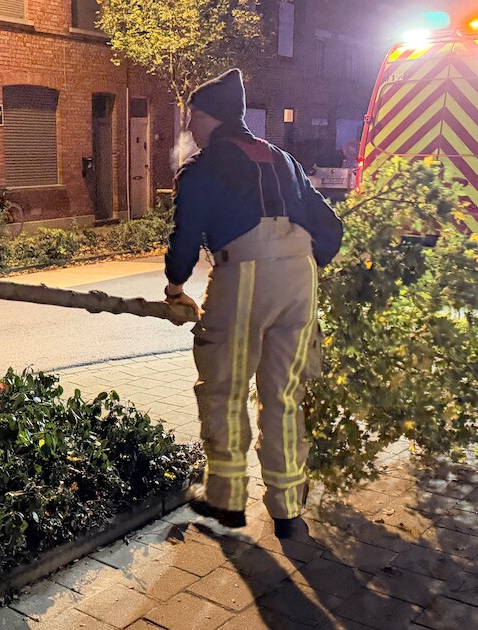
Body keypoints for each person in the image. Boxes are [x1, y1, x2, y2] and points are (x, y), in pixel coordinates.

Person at [165, 69, 333, 539]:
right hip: (300, 278)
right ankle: (287, 511)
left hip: (245, 277)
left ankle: (226, 502)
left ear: (208, 116)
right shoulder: (282, 159)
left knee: (225, 389)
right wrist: (299, 261)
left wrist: (176, 290)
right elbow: (330, 227)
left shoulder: (201, 169)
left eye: (191, 117)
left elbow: (184, 241)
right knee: (283, 394)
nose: (188, 128)